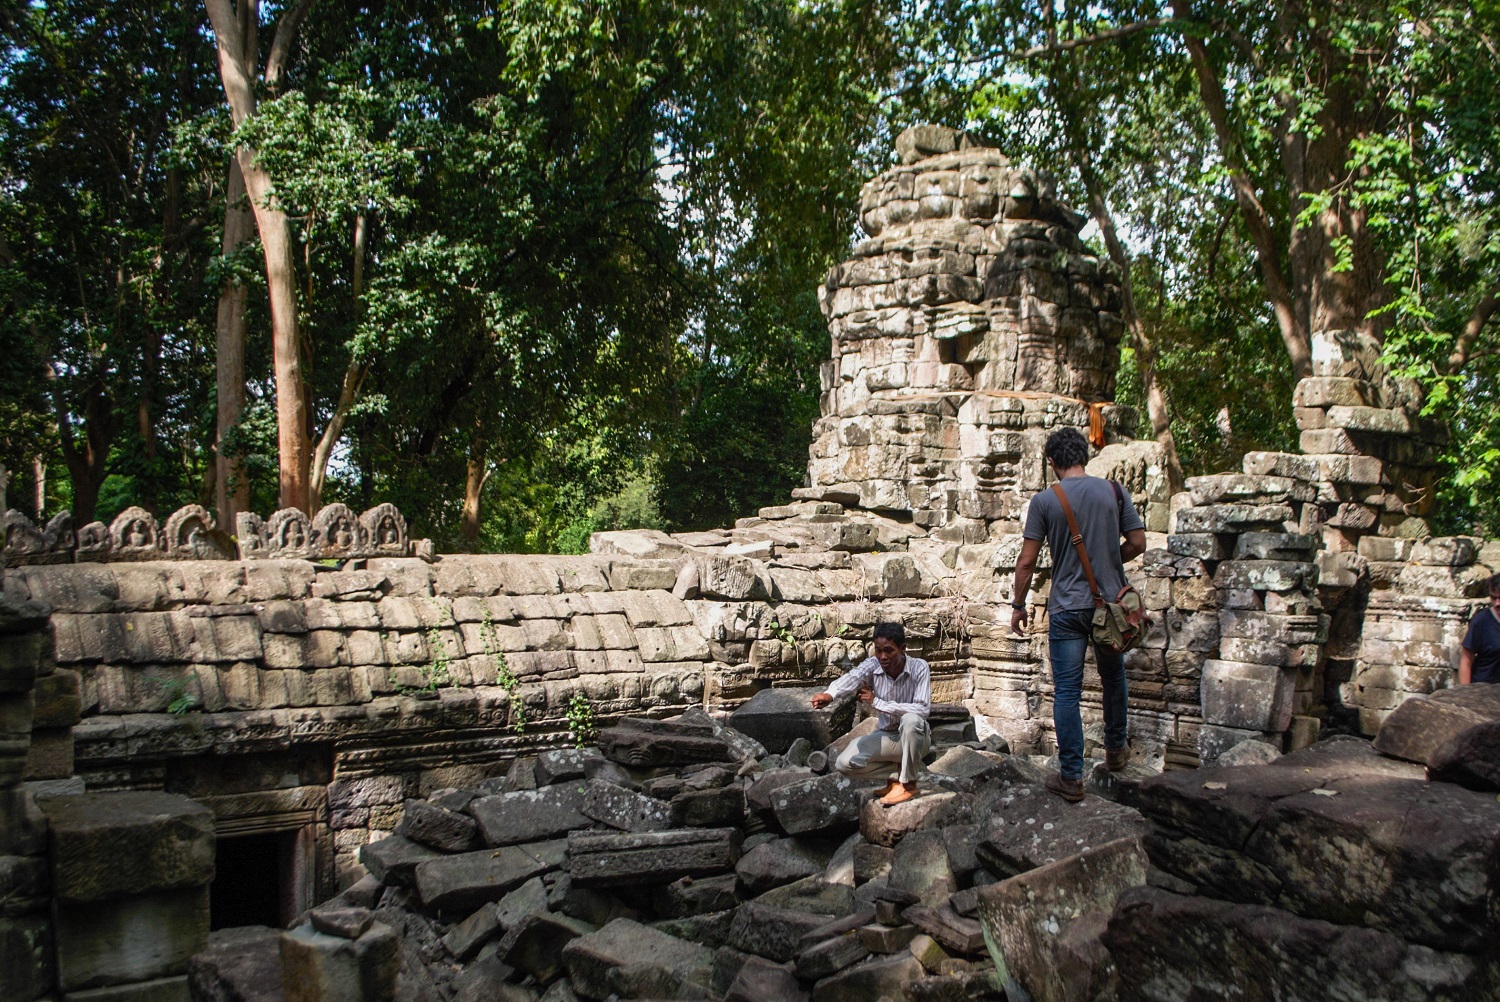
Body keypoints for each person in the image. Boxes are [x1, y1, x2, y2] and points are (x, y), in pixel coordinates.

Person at [1010, 426, 1147, 803]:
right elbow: (1138, 542)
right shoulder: (1115, 491)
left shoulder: (1045, 501)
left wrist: (1019, 604)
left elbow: (1026, 562)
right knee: (1113, 677)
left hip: (1068, 607)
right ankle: (1116, 751)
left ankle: (1071, 776)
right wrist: (1108, 561)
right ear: (1085, 456)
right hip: (1111, 606)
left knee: (1067, 691)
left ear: (1052, 462)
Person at [810, 621, 931, 806]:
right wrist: (830, 694)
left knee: (910, 720)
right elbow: (853, 677)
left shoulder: (919, 667)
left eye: (889, 650)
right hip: (887, 736)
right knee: (844, 763)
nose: (883, 656)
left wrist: (877, 702)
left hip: (917, 739)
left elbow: (922, 710)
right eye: (878, 650)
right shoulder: (873, 664)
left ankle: (909, 784)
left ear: (903, 649)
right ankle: (897, 776)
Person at [1459, 573, 1500, 684]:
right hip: (1484, 689)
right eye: (1493, 598)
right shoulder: (1481, 622)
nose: (1497, 603)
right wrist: (1465, 693)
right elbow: (1466, 661)